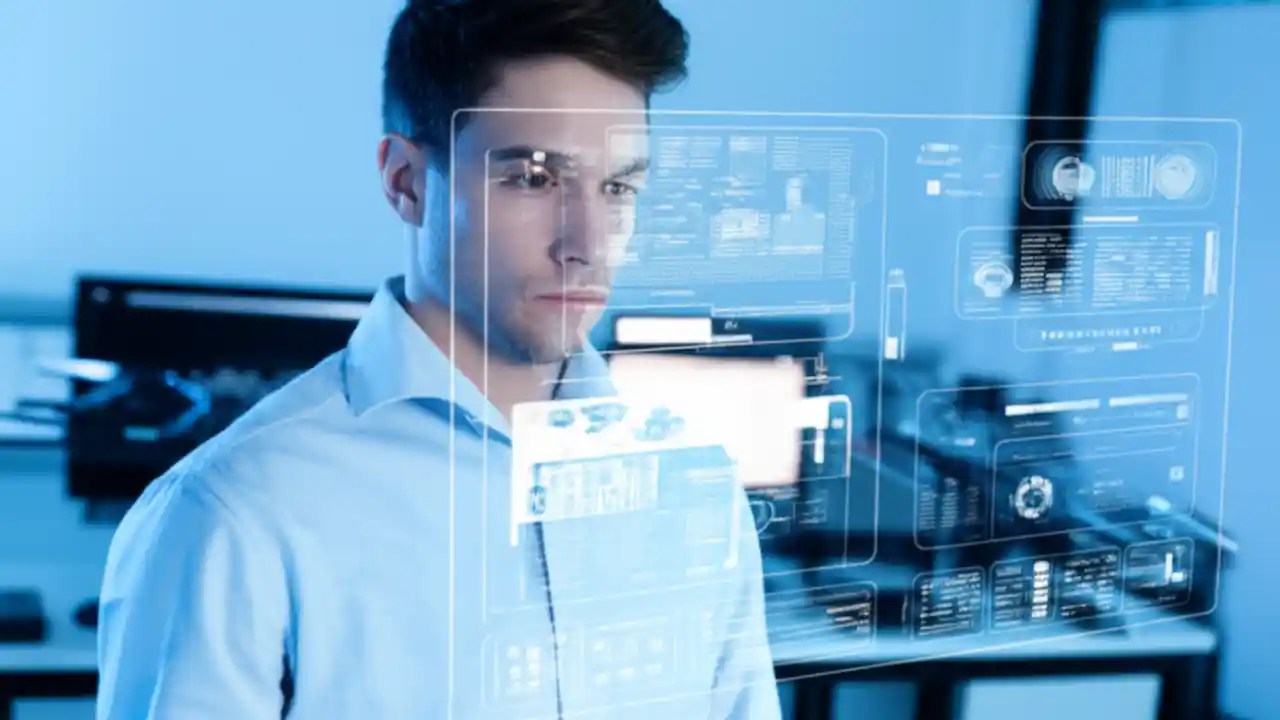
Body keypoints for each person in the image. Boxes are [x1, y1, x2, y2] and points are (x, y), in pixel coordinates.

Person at [96, 1, 782, 718]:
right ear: (407, 182)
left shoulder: (694, 494)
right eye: (534, 178)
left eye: (617, 187)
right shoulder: (237, 513)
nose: (587, 242)